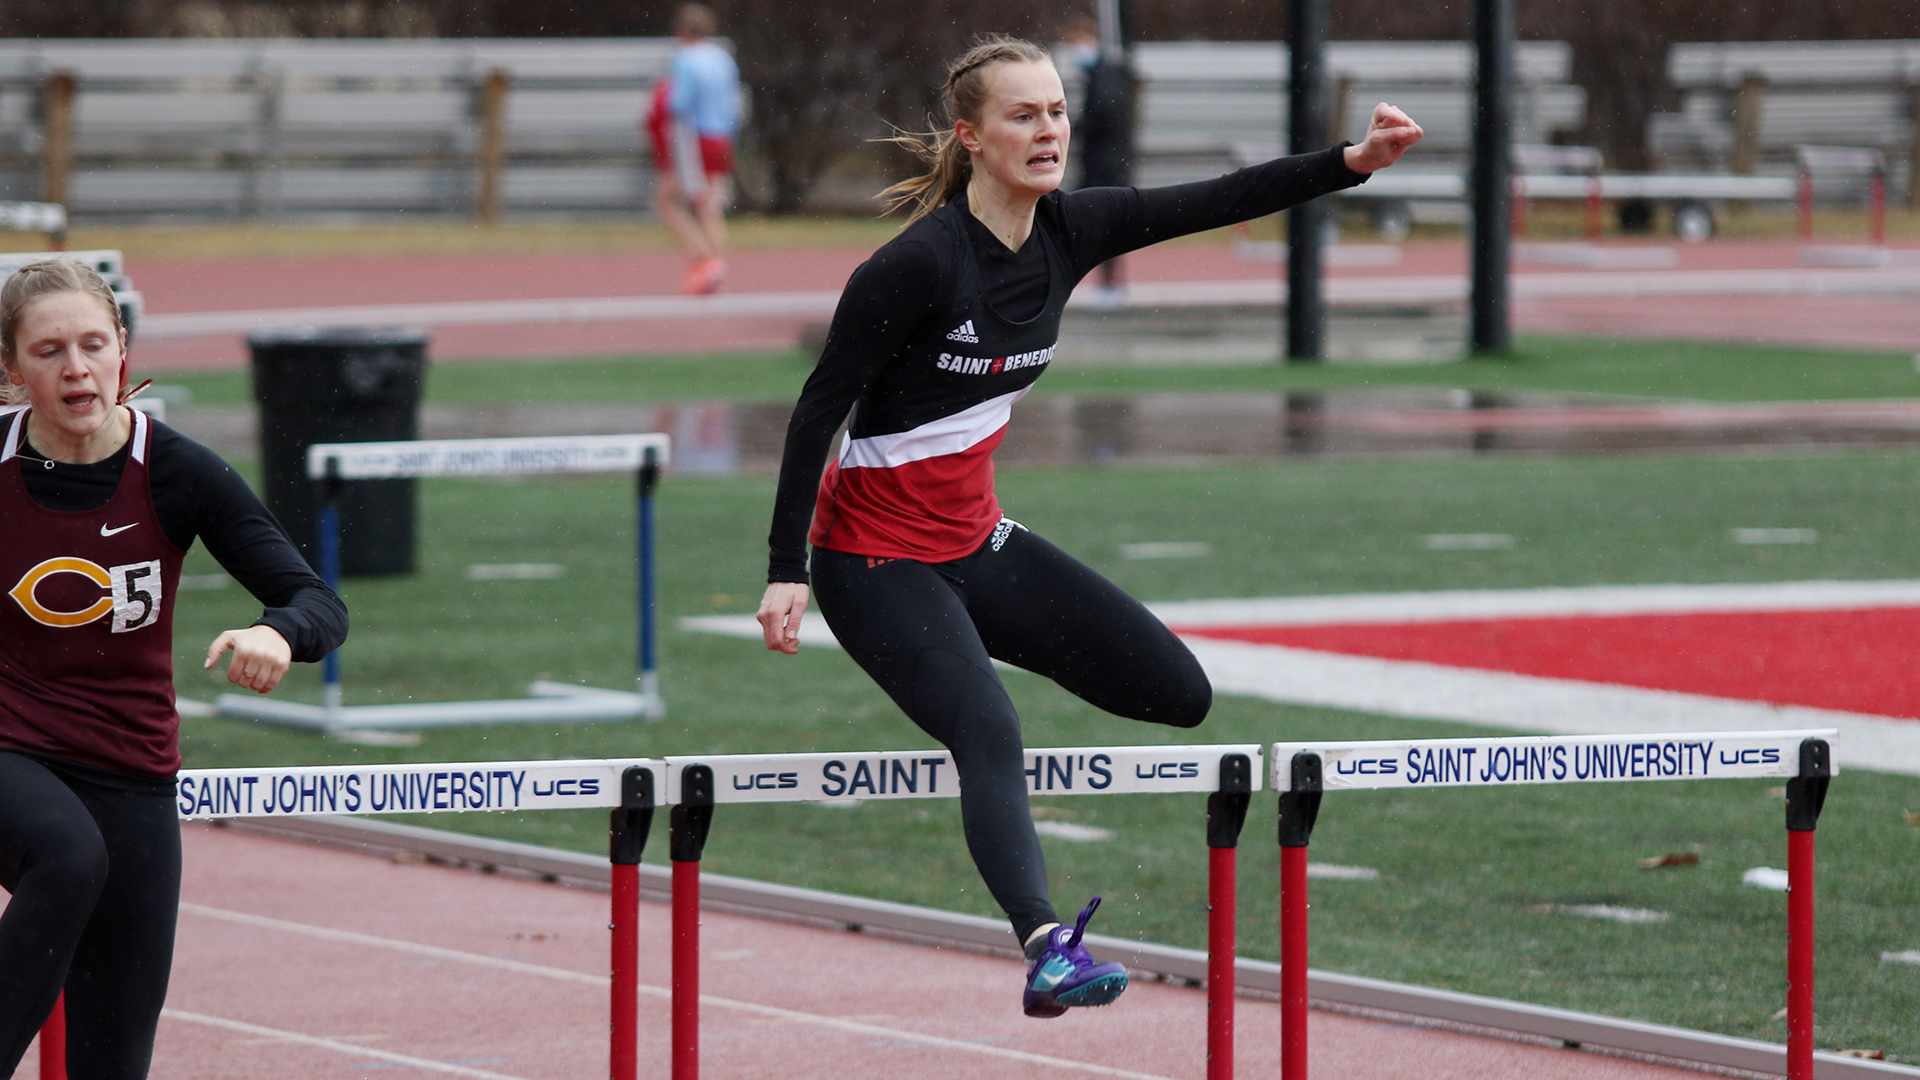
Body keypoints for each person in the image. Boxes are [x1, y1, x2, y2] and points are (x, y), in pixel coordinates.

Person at [756, 35, 1420, 1019]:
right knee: (988, 727)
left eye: (1058, 112)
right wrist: (786, 571)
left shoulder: (1070, 231)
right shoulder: (915, 267)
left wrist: (1349, 164)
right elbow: (818, 411)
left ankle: (957, 648)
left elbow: (1217, 197)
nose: (1049, 131)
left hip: (976, 549)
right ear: (973, 138)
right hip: (872, 562)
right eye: (1024, 115)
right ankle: (1045, 946)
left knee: (1178, 694)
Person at [0, 259, 347, 1076]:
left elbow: (314, 599)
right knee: (68, 854)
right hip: (8, 743)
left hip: (130, 767)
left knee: (113, 1057)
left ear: (125, 350)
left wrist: (280, 634)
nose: (77, 369)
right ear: (11, 371)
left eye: (94, 344)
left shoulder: (177, 470)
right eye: (49, 352)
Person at [650, 2, 741, 296]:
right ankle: (717, 267)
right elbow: (733, 103)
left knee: (667, 200)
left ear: (683, 31)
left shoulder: (686, 59)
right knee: (711, 205)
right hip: (722, 136)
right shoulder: (723, 59)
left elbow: (678, 104)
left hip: (695, 138)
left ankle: (704, 259)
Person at [1059, 17, 1136, 303]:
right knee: (1106, 224)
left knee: (1105, 224)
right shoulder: (1106, 73)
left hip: (1106, 164)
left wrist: (1075, 127)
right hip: (1109, 161)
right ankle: (1110, 285)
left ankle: (1110, 287)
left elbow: (1104, 114)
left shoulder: (1103, 75)